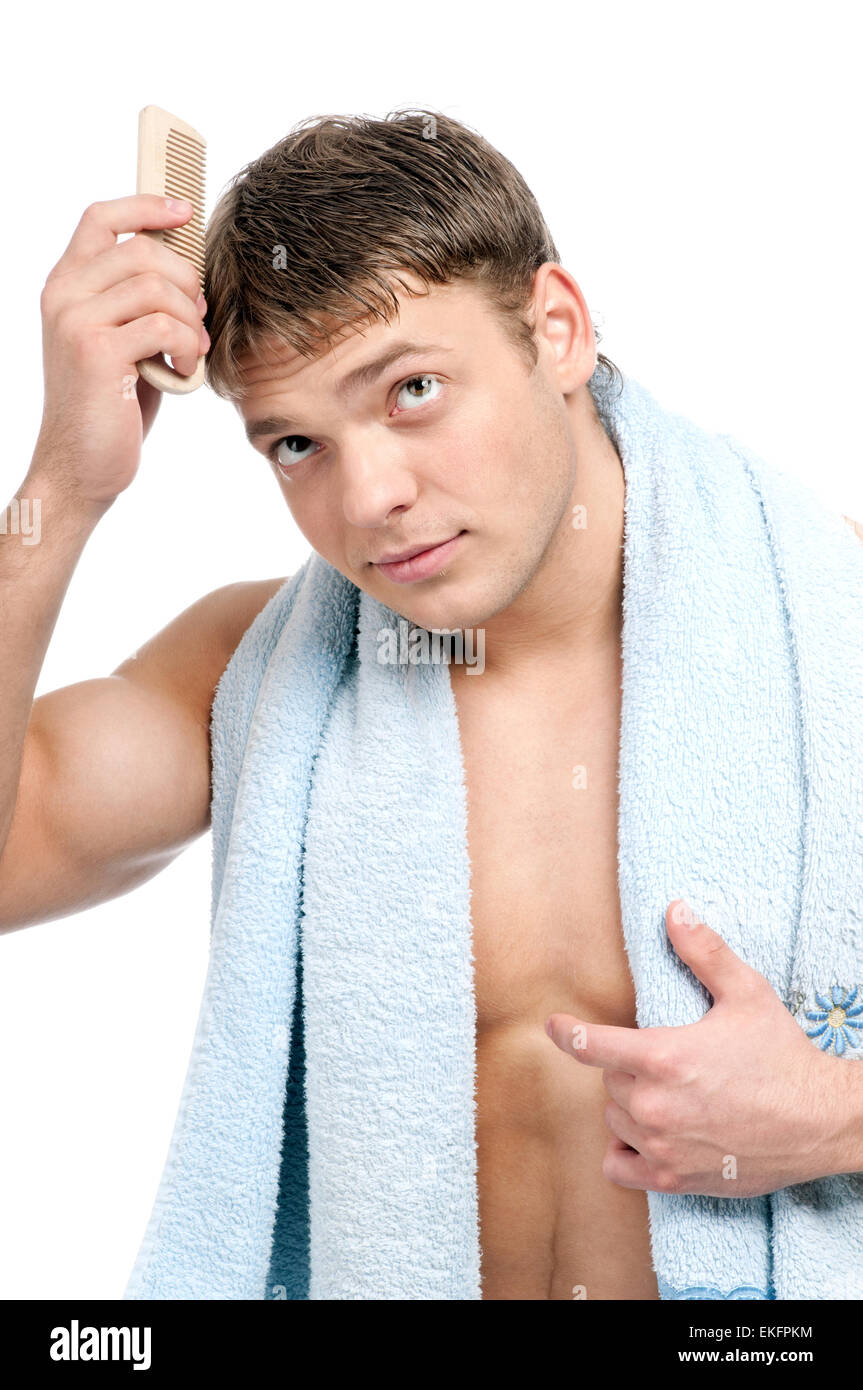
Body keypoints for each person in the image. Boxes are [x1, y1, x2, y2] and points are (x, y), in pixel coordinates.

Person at [2, 109, 861, 1301]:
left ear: (553, 328)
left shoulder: (831, 626)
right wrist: (64, 485)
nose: (372, 497)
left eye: (410, 389)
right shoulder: (253, 670)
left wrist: (838, 1114)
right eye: (296, 443)